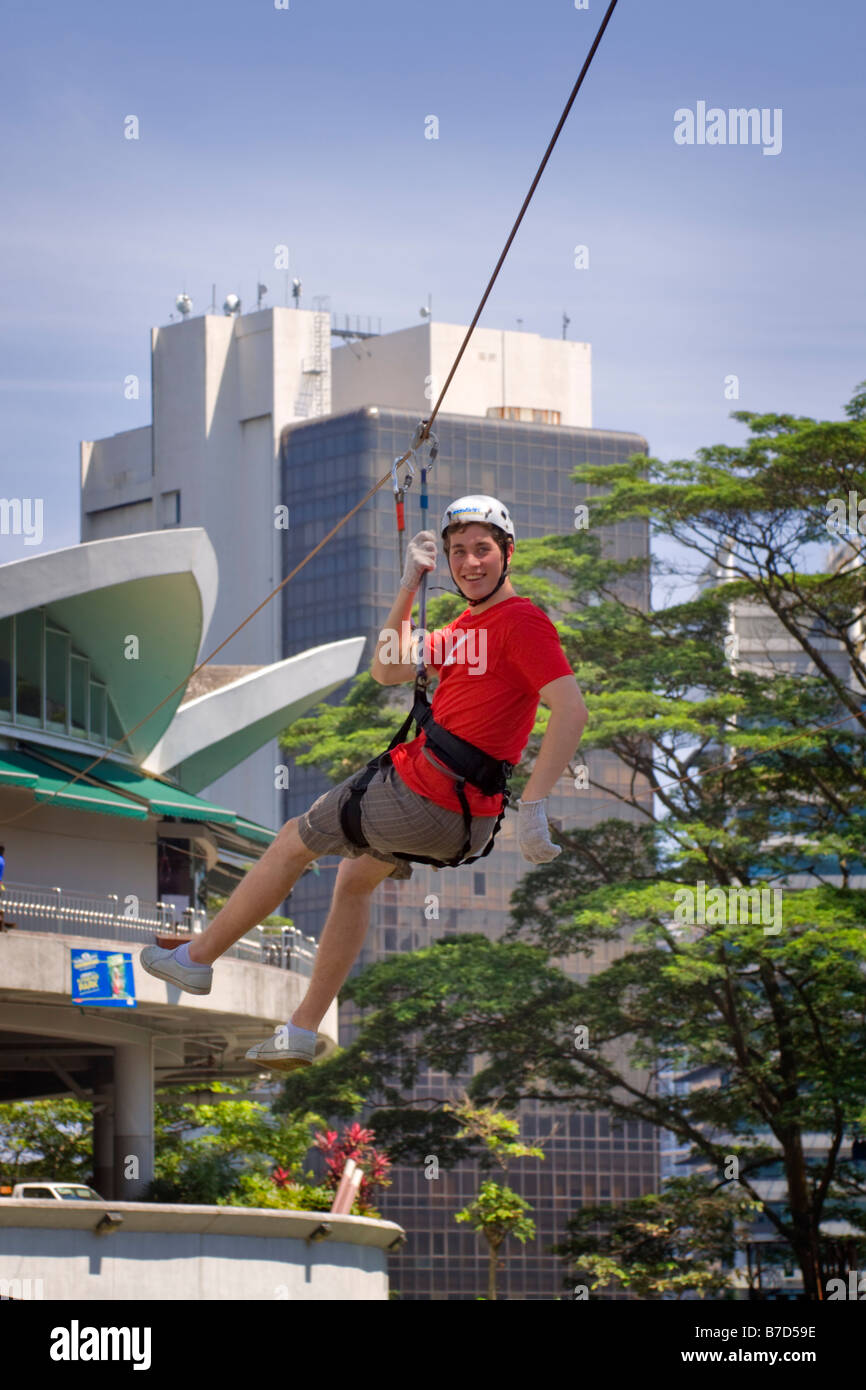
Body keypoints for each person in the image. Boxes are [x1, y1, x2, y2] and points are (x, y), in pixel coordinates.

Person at [140, 495, 588, 1072]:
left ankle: (197, 959)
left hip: (425, 794)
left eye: (482, 549)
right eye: (458, 553)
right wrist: (408, 585)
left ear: (507, 553)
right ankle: (302, 1030)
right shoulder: (464, 628)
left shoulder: (519, 621)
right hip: (459, 822)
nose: (470, 563)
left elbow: (569, 709)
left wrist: (535, 806)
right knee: (353, 879)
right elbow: (386, 667)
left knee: (292, 841)